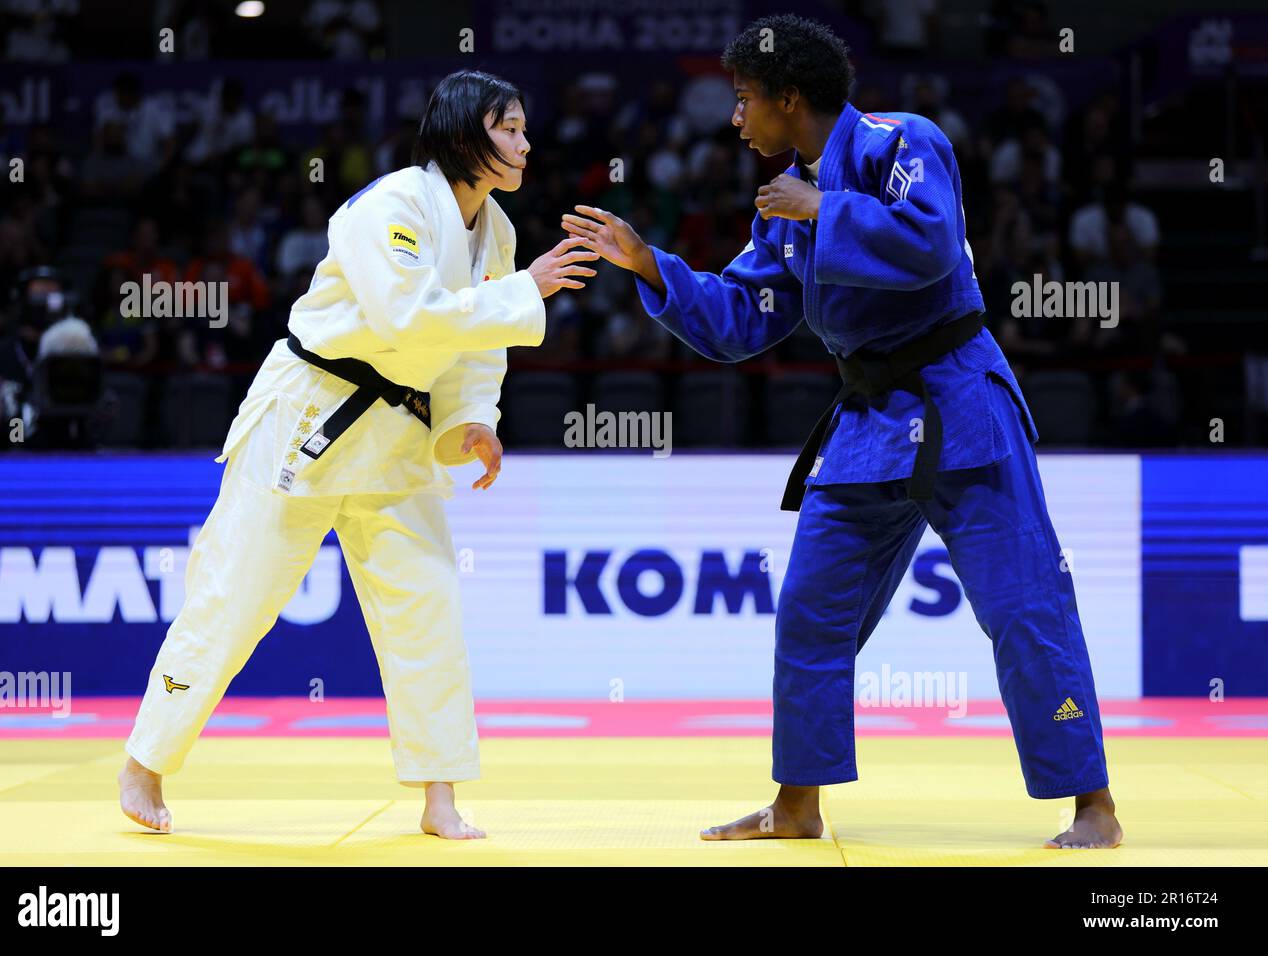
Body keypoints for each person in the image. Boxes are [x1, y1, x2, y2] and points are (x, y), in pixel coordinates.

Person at [564, 14, 1122, 849]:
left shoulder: (903, 142)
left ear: (791, 99)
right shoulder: (781, 205)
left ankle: (1094, 807)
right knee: (810, 614)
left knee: (1021, 604)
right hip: (867, 422)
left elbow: (932, 244)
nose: (735, 117)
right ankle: (796, 804)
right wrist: (653, 267)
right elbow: (742, 319)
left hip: (960, 403)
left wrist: (823, 207)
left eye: (747, 99)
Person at [119, 69, 598, 840]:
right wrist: (529, 292)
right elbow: (409, 317)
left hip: (401, 432)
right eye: (508, 128)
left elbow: (477, 348)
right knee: (235, 597)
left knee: (427, 610)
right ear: (464, 134)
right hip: (310, 417)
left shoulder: (497, 233)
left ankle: (439, 796)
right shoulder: (392, 207)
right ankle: (145, 760)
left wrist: (474, 417)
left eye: (522, 128)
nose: (524, 143)